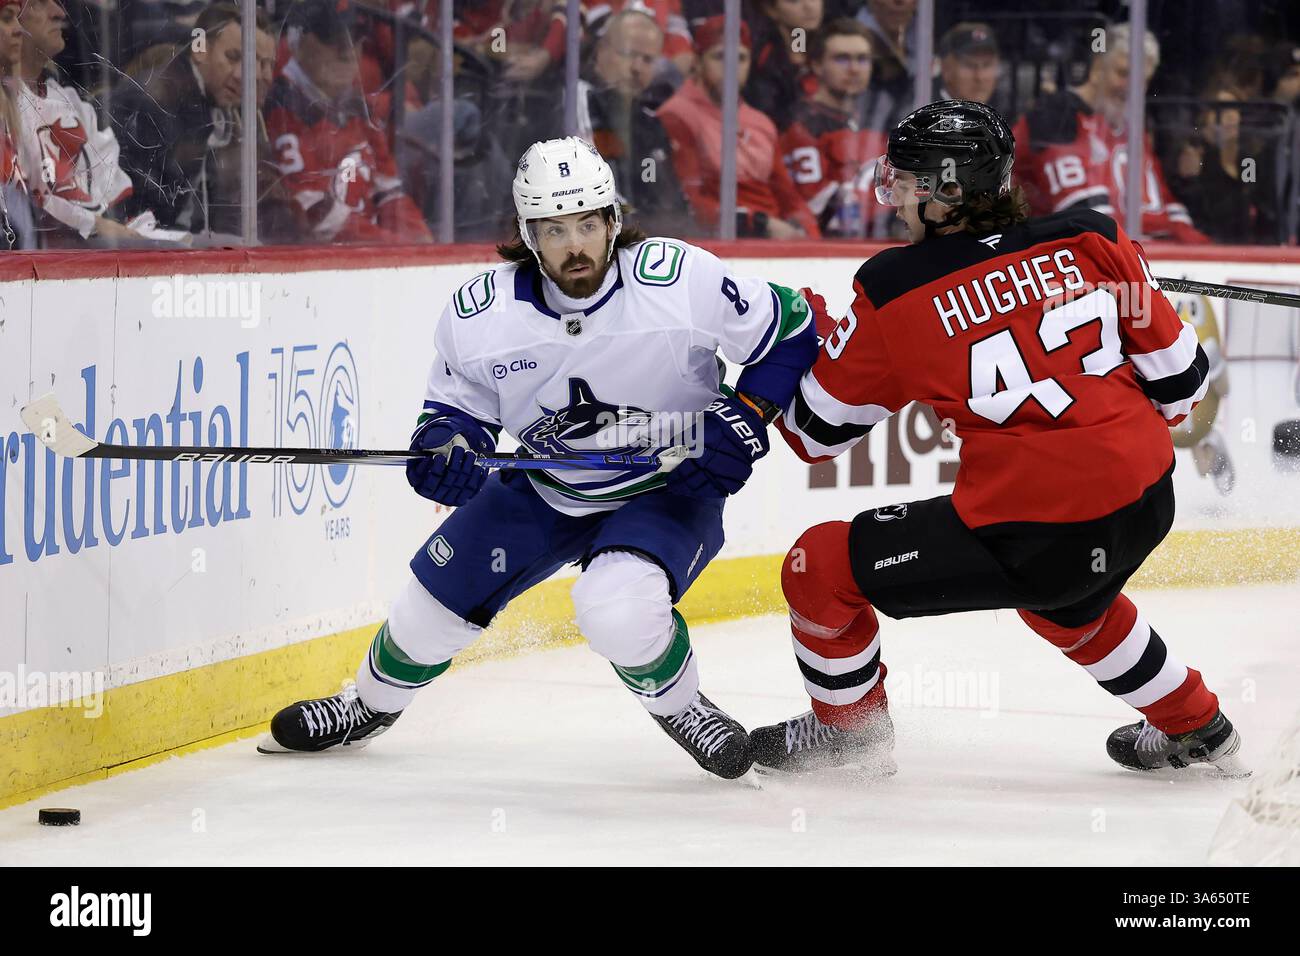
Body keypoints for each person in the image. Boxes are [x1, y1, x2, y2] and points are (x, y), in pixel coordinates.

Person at [260, 137, 820, 780]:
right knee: (424, 614)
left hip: (668, 485)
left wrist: (745, 419)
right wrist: (448, 451)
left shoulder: (679, 280)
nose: (574, 245)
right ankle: (368, 705)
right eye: (553, 230)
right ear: (527, 233)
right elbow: (454, 412)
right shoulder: (482, 312)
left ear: (614, 220)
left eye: (587, 223)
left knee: (614, 606)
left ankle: (683, 707)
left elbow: (793, 327)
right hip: (543, 481)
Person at [750, 100, 1245, 779]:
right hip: (1148, 500)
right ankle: (1197, 724)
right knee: (1067, 603)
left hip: (1038, 532)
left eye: (904, 180)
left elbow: (812, 436)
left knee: (818, 568)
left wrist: (815, 331)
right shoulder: (1090, 238)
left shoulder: (894, 288)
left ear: (945, 191)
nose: (891, 194)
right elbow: (1186, 390)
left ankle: (850, 737)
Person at [112, 3, 300, 241]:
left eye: (263, 64)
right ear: (200, 48)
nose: (247, 75)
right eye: (233, 57)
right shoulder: (153, 102)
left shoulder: (230, 105)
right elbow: (141, 217)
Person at [1012, 23, 1208, 243]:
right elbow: (1083, 221)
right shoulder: (1056, 114)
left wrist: (1202, 250)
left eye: (1142, 80)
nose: (1131, 87)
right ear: (1097, 69)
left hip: (1138, 251)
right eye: (1123, 73)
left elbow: (1161, 204)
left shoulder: (1128, 125)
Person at [264, 0, 431, 243]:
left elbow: (389, 190)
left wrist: (418, 238)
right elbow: (315, 212)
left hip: (371, 257)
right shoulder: (283, 108)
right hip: (322, 268)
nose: (348, 50)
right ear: (299, 43)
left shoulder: (355, 106)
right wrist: (394, 248)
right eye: (332, 39)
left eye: (355, 38)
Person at [657, 15, 820, 238]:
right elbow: (690, 201)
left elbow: (787, 195)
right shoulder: (677, 114)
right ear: (697, 60)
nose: (731, 67)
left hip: (769, 236)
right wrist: (757, 224)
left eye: (740, 58)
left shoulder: (761, 122)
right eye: (720, 56)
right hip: (718, 240)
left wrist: (809, 231)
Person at [11, 0, 149, 244]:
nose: (59, 13)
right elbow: (22, 201)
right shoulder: (7, 107)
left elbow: (114, 197)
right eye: (40, 3)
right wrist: (93, 224)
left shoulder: (71, 102)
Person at [575, 9, 694, 236]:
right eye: (629, 54)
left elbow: (672, 204)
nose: (637, 68)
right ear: (601, 52)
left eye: (648, 60)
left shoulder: (651, 124)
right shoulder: (579, 100)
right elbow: (597, 196)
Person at [780, 17, 886, 238]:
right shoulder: (799, 127)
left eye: (863, 59)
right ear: (817, 65)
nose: (854, 69)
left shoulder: (878, 119)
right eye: (842, 59)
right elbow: (815, 211)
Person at [935, 22, 1001, 107]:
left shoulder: (999, 117)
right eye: (970, 65)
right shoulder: (925, 115)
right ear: (946, 69)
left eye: (987, 65)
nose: (980, 77)